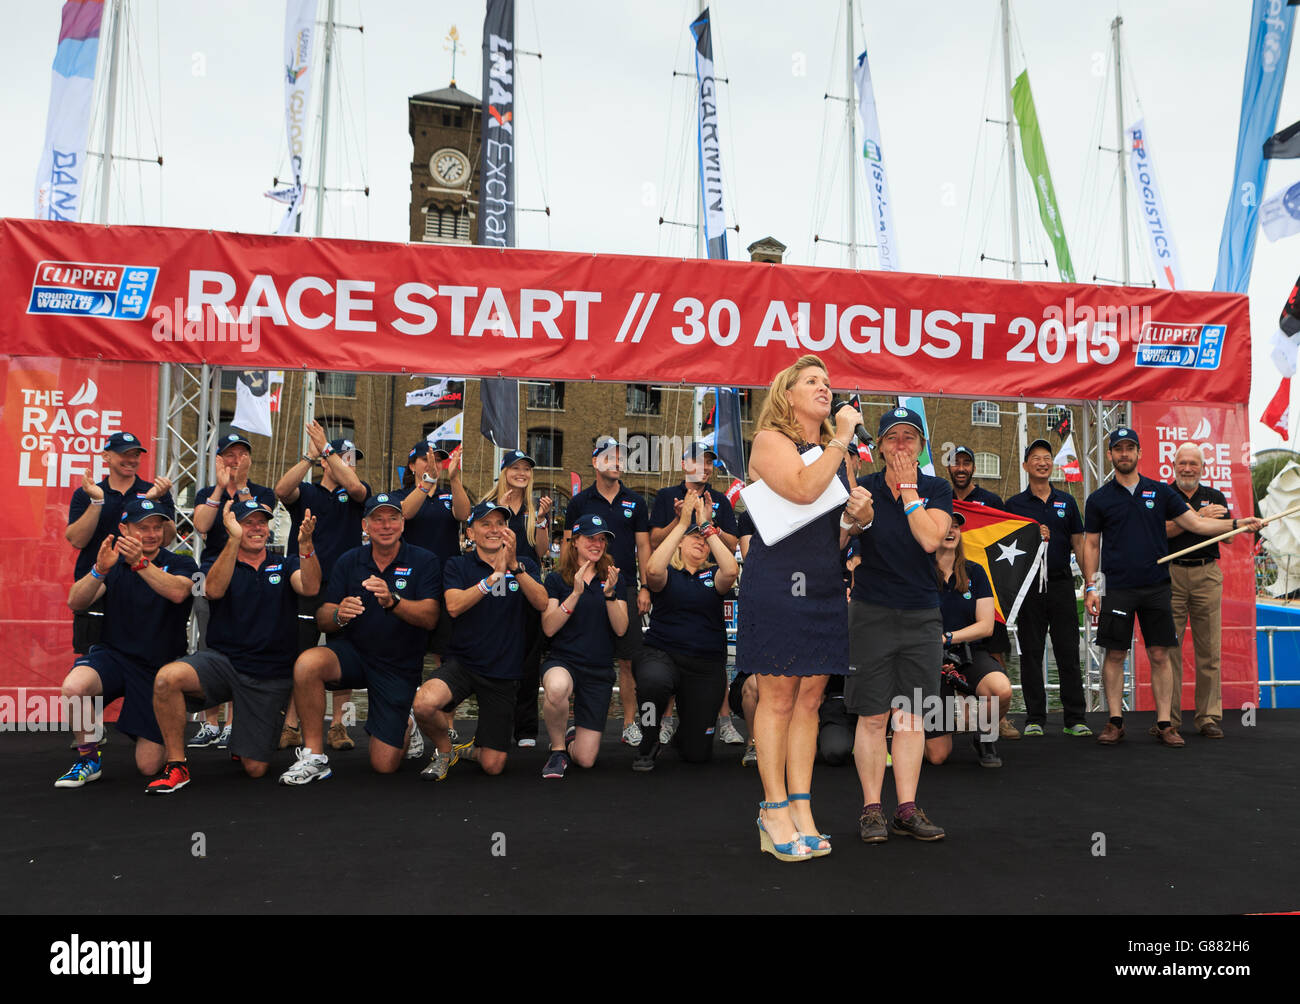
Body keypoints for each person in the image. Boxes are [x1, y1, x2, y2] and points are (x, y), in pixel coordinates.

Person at [735, 354, 866, 861]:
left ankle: (802, 806)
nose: (824, 387)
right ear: (788, 395)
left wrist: (859, 517)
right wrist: (841, 438)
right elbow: (803, 487)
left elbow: (829, 533)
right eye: (811, 381)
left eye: (827, 381)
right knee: (779, 696)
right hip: (776, 584)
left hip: (823, 584)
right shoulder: (771, 441)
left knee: (810, 697)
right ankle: (772, 809)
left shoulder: (837, 451)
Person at [1082, 428, 1259, 747]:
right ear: (1109, 455)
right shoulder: (1098, 499)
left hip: (1157, 586)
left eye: (1130, 448)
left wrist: (1238, 524)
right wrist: (1092, 587)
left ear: (1139, 453)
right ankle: (1114, 721)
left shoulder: (1160, 493)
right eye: (1118, 449)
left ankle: (1166, 724)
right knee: (1115, 653)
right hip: (1117, 588)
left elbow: (1198, 524)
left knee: (1161, 652)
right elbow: (1091, 545)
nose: (1124, 454)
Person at [149, 500, 320, 793]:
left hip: (269, 673)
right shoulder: (212, 563)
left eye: (261, 522)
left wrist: (306, 546)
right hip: (223, 663)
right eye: (248, 522)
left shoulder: (287, 562)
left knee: (255, 769)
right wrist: (233, 541)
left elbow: (311, 587)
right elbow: (212, 590)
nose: (256, 528)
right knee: (167, 678)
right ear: (234, 527)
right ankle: (177, 764)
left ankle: (245, 735)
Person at [843, 405, 952, 844]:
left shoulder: (936, 487)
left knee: (910, 717)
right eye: (893, 438)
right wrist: (853, 519)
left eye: (909, 438)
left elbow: (930, 538)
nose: (901, 445)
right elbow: (835, 541)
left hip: (922, 614)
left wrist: (910, 492)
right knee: (872, 717)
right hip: (870, 613)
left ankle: (906, 808)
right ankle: (872, 809)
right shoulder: (862, 487)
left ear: (922, 446)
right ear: (881, 447)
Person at [279, 493, 441, 782]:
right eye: (377, 519)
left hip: (398, 665)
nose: (386, 525)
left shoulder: (424, 560)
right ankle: (314, 756)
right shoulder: (349, 560)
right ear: (365, 525)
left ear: (403, 523)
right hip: (353, 654)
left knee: (384, 765)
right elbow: (323, 615)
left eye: (393, 518)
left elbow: (430, 617)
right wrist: (339, 614)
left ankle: (405, 722)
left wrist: (394, 601)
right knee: (307, 663)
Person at [55, 497, 195, 787]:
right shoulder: (113, 563)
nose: (152, 534)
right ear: (124, 529)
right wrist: (99, 570)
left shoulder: (181, 561)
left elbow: (179, 593)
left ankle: (163, 729)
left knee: (148, 766)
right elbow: (75, 601)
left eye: (157, 527)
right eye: (143, 527)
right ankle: (87, 759)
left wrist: (140, 564)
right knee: (74, 686)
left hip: (157, 671)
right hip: (115, 657)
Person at [411, 501, 548, 779]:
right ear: (470, 532)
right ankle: (445, 751)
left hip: (503, 671)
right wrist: (493, 578)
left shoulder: (525, 565)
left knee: (493, 766)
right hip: (463, 663)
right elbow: (453, 606)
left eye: (500, 523)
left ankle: (468, 750)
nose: (494, 529)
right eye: (486, 524)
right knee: (424, 703)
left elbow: (542, 602)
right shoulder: (457, 564)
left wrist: (513, 568)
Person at [273, 421, 369, 752]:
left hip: (344, 583)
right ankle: (291, 724)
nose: (349, 462)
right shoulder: (309, 491)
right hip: (307, 584)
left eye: (352, 457)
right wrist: (309, 457)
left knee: (342, 651)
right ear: (326, 462)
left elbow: (356, 488)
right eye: (344, 456)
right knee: (301, 653)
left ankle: (339, 726)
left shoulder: (357, 491)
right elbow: (282, 492)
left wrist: (328, 451)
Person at [633, 493, 739, 770]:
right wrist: (682, 524)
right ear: (679, 543)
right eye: (694, 538)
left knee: (697, 754)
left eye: (703, 541)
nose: (700, 543)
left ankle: (685, 735)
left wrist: (706, 526)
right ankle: (649, 737)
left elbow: (731, 570)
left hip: (704, 665)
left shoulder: (712, 575)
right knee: (652, 681)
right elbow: (652, 570)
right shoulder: (669, 573)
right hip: (663, 655)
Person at [649, 441, 744, 746]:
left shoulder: (720, 500)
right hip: (675, 573)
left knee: (713, 650)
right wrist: (682, 520)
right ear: (683, 464)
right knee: (668, 651)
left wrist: (707, 522)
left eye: (708, 462)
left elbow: (732, 544)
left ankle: (724, 719)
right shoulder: (666, 496)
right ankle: (663, 720)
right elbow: (653, 539)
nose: (703, 467)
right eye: (697, 461)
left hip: (711, 576)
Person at [188, 432, 278, 750]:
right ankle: (210, 721)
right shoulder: (205, 492)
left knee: (244, 641)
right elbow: (201, 524)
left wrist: (240, 488)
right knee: (208, 641)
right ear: (218, 459)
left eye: (241, 454)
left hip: (247, 572)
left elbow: (256, 522)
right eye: (229, 454)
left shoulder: (261, 492)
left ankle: (233, 721)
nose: (235, 460)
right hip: (210, 571)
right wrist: (218, 487)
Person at [564, 437, 650, 748]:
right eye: (610, 456)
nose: (617, 462)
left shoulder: (636, 501)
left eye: (621, 457)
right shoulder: (579, 502)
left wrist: (645, 588)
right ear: (595, 461)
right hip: (585, 588)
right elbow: (567, 547)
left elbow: (643, 547)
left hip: (623, 587)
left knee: (628, 659)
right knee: (579, 654)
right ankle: (577, 722)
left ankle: (629, 723)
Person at [1003, 439, 1090, 738]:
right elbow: (1006, 547)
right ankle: (1035, 718)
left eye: (1047, 458)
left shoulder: (1067, 501)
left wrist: (1091, 583)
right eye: (1035, 458)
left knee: (1068, 652)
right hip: (1028, 588)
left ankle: (1074, 718)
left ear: (1052, 464)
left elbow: (1079, 544)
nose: (1042, 462)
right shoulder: (1014, 505)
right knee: (1030, 653)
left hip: (1062, 584)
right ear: (1026, 465)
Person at [64, 431, 174, 655]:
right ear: (106, 457)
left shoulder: (153, 492)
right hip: (97, 585)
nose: (131, 460)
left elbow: (168, 538)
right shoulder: (87, 493)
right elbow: (76, 539)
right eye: (125, 454)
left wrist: (154, 500)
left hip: (141, 585)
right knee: (92, 662)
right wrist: (96, 501)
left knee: (146, 657)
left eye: (136, 455)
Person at [539, 513, 629, 779]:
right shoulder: (556, 580)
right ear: (575, 541)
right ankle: (557, 750)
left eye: (602, 539)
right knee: (556, 688)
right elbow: (549, 627)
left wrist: (610, 594)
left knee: (586, 759)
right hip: (564, 662)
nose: (597, 543)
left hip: (598, 670)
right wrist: (576, 594)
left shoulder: (613, 578)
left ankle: (570, 737)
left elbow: (621, 629)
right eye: (590, 537)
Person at [925, 510, 1014, 768]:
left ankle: (984, 735)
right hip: (928, 660)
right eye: (945, 526)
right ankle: (910, 730)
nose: (951, 531)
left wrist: (947, 638)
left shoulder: (975, 572)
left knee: (1001, 689)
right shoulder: (919, 574)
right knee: (938, 756)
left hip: (968, 654)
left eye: (955, 527)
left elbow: (986, 626)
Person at [480, 448, 553, 748]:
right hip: (496, 580)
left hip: (526, 578)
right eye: (515, 468)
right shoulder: (488, 505)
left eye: (526, 469)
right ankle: (496, 723)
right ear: (504, 471)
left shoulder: (533, 508)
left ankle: (526, 728)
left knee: (528, 656)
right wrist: (502, 511)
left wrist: (543, 520)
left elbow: (542, 551)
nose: (521, 473)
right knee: (496, 652)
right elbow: (487, 543)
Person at [1165, 443, 1239, 739]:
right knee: (1168, 649)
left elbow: (1229, 535)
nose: (1187, 468)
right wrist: (1197, 515)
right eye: (1182, 462)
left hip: (1207, 573)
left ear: (1203, 468)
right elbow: (1161, 531)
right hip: (1170, 575)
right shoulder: (1162, 495)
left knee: (1209, 650)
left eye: (1193, 464)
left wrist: (1218, 521)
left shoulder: (1216, 496)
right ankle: (1167, 719)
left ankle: (1208, 716)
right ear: (1173, 465)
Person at [946, 443, 1013, 728]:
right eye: (956, 463)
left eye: (966, 463)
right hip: (944, 576)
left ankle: (999, 720)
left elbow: (1008, 531)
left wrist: (1036, 530)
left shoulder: (992, 499)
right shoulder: (938, 498)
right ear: (948, 467)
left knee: (993, 650)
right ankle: (956, 719)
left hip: (982, 581)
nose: (961, 468)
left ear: (973, 467)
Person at [730, 507, 758, 767]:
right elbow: (749, 558)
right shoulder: (751, 516)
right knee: (753, 685)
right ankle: (754, 742)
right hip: (757, 672)